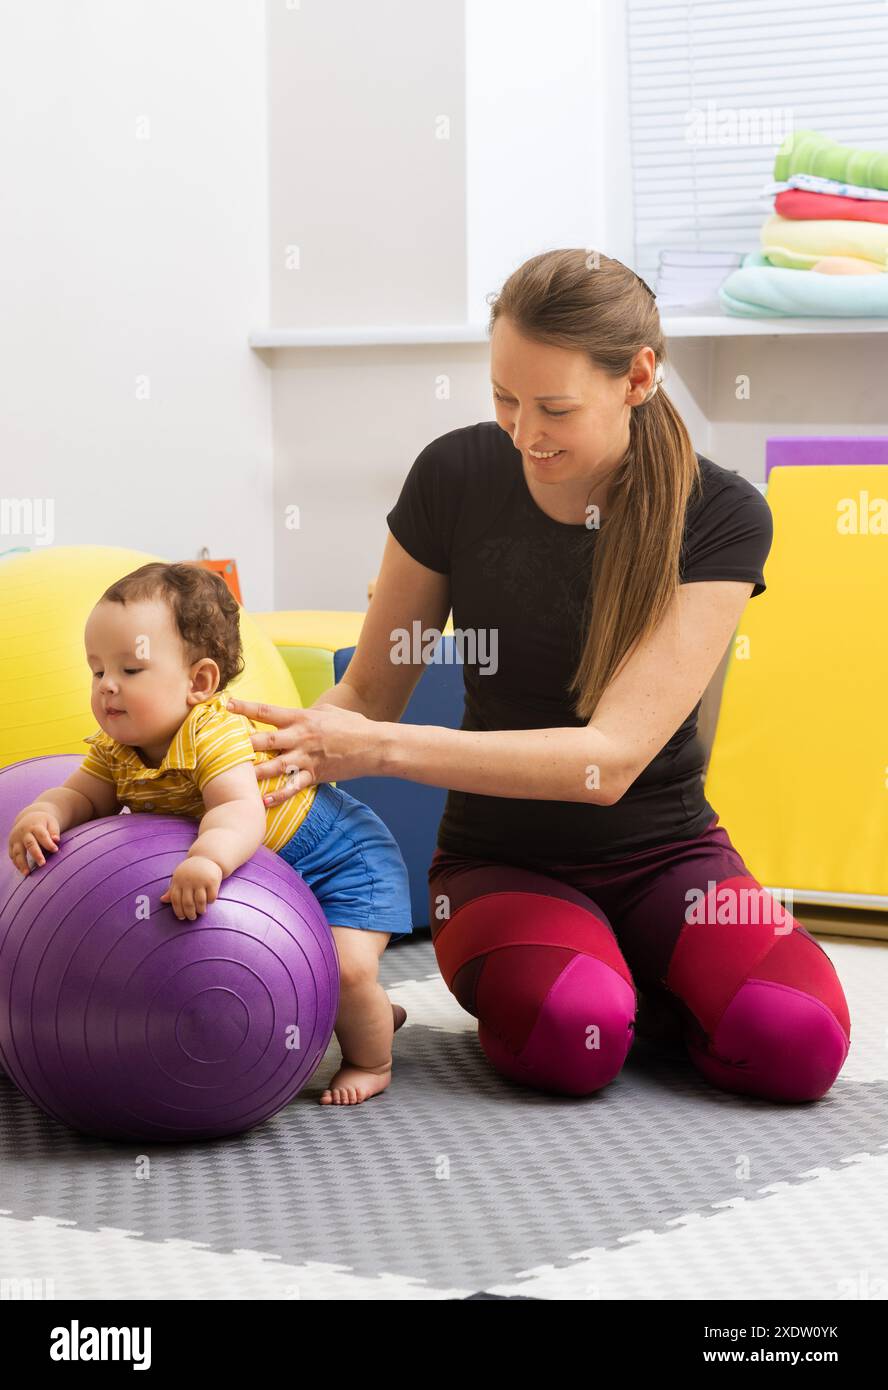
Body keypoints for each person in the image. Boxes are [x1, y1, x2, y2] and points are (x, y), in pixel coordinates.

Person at [227, 248, 852, 1104]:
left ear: (637, 377)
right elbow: (369, 693)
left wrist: (378, 750)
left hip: (670, 856)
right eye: (504, 397)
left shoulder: (722, 514)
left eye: (554, 407)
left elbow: (612, 759)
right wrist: (245, 767)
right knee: (571, 1041)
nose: (523, 431)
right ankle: (617, 986)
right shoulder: (456, 476)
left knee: (799, 1045)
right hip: (500, 862)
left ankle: (636, 979)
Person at [6, 563, 411, 1107]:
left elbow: (239, 812)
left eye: (130, 668)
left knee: (345, 970)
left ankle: (372, 1058)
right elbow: (82, 796)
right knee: (325, 979)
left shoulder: (211, 732)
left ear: (199, 682)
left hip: (339, 860)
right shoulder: (115, 749)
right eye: (96, 670)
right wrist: (44, 812)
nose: (107, 687)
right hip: (274, 874)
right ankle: (371, 1012)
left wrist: (209, 861)